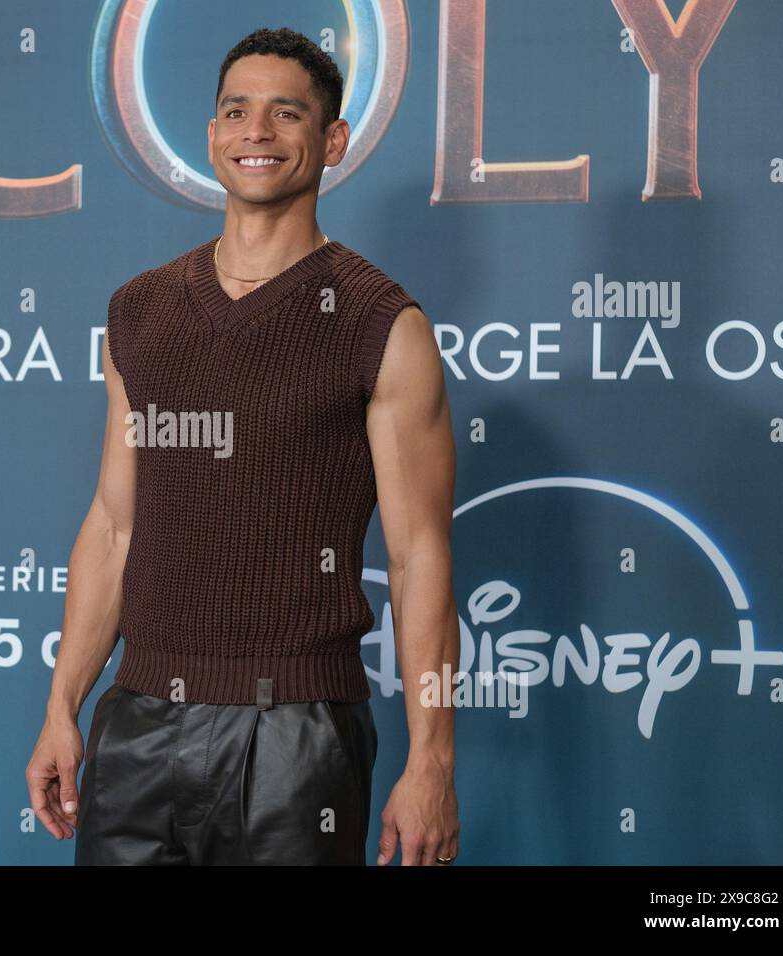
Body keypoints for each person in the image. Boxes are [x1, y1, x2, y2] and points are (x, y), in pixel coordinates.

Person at [26, 27, 460, 866]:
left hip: (301, 737)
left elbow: (419, 557)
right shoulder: (140, 313)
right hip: (138, 724)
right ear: (213, 134)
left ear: (331, 141)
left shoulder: (382, 324)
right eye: (236, 110)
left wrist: (432, 758)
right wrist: (61, 707)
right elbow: (116, 526)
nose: (255, 132)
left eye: (284, 113)